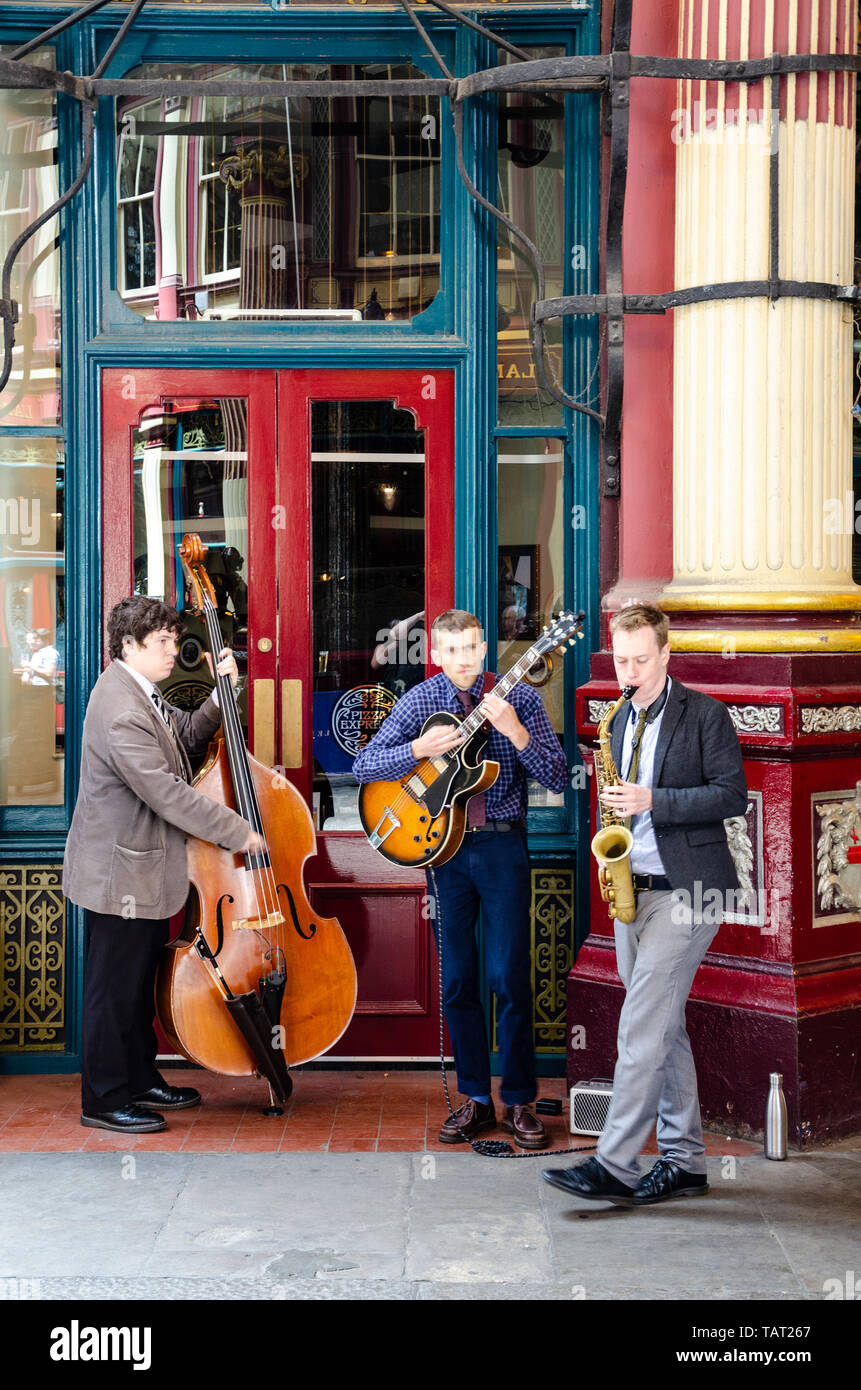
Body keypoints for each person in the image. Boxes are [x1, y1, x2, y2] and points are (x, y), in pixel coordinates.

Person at [543, 603, 747, 1205]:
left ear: (665, 654)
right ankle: (684, 1163)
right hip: (634, 891)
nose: (628, 671)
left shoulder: (706, 715)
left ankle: (615, 1162)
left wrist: (652, 799)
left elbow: (731, 795)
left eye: (639, 659)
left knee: (639, 1027)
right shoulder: (614, 721)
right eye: (620, 659)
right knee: (664, 1028)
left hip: (689, 891)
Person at [353, 608, 567, 1149]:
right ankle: (475, 1099)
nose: (463, 661)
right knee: (457, 980)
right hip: (443, 852)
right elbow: (363, 767)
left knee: (509, 977)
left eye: (471, 649)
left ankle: (518, 1099)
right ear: (436, 654)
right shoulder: (421, 701)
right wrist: (417, 750)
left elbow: (559, 776)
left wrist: (515, 731)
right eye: (452, 652)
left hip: (501, 846)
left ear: (484, 648)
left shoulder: (516, 695)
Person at [63, 596, 265, 1135]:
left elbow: (190, 737)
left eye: (175, 640)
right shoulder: (121, 707)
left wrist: (225, 694)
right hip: (119, 873)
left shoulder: (144, 693)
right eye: (162, 643)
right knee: (113, 989)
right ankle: (104, 1099)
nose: (174, 650)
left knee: (135, 985)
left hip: (146, 869)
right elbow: (167, 793)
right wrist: (238, 831)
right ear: (127, 646)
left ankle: (138, 1078)